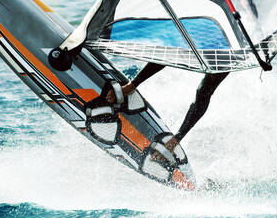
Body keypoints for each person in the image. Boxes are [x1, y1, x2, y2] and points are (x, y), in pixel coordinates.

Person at [95, 64, 228, 154]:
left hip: (228, 40)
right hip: (205, 30)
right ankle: (131, 86)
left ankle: (176, 139)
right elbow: (171, 47)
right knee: (176, 43)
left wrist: (177, 138)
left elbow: (204, 93)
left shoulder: (227, 53)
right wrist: (132, 85)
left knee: (205, 88)